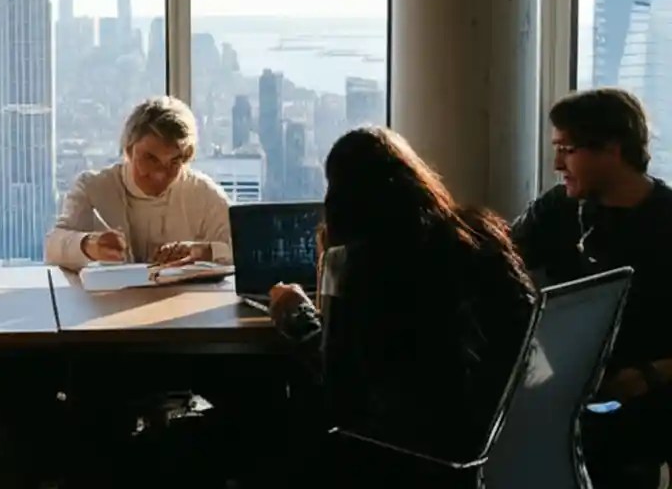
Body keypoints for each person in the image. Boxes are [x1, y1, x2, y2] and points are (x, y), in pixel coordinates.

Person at [270, 127, 536, 488]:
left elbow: (340, 390)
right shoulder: (481, 234)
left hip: (405, 457)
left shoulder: (355, 265)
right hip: (505, 439)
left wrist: (298, 315)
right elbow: (530, 340)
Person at [512, 88, 672, 488]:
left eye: (567, 149)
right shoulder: (558, 210)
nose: (556, 163)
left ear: (613, 149)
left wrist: (648, 376)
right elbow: (500, 264)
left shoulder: (667, 222)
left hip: (649, 407)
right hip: (567, 403)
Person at [45, 96, 230, 269]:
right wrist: (89, 245)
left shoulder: (205, 196)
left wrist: (204, 252)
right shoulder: (93, 188)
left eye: (174, 161)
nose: (160, 175)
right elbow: (53, 247)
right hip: (108, 302)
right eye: (150, 158)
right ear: (128, 150)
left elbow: (246, 250)